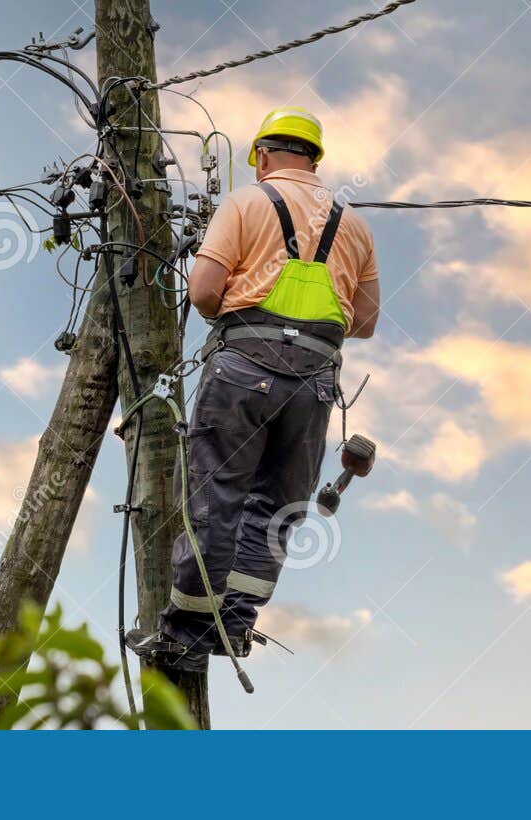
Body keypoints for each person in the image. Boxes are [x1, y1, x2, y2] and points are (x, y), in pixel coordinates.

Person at [129, 106, 380, 672]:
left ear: (263, 155)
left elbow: (203, 293)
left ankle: (188, 633)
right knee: (277, 507)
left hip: (243, 368)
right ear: (314, 158)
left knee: (215, 495)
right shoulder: (355, 225)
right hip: (314, 383)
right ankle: (235, 625)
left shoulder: (246, 202)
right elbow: (364, 322)